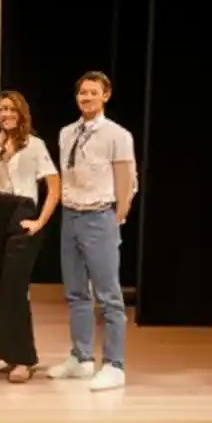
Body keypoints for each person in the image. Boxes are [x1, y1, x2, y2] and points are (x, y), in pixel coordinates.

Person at [48, 71, 135, 392]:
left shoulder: (118, 135)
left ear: (106, 95)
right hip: (71, 215)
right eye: (82, 93)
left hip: (100, 216)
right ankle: (81, 357)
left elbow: (127, 180)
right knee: (75, 292)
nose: (86, 98)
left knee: (109, 296)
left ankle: (114, 364)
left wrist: (118, 216)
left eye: (92, 92)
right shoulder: (66, 133)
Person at [0, 90, 60, 383]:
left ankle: (25, 359)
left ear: (21, 113)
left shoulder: (35, 145)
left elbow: (54, 186)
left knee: (14, 288)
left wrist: (40, 221)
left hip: (22, 213)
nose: (6, 115)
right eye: (2, 110)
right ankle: (8, 354)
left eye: (11, 110)